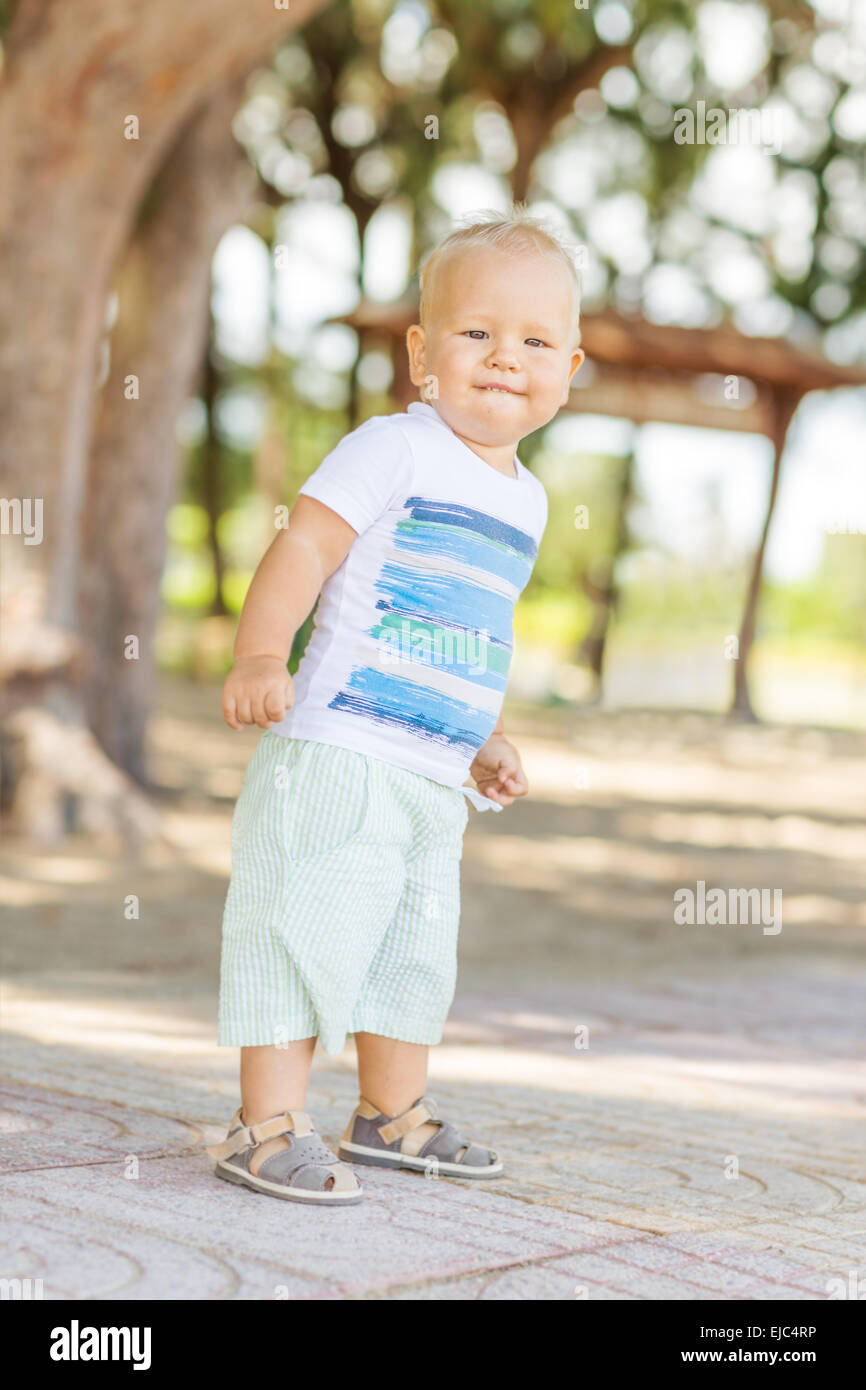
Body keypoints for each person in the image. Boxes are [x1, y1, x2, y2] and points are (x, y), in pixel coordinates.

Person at [206, 208, 585, 1203]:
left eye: (535, 341)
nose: (506, 357)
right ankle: (265, 1122)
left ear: (569, 369)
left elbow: (474, 628)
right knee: (296, 924)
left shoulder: (527, 500)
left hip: (429, 776)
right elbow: (304, 546)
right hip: (337, 749)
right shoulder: (394, 447)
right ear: (421, 352)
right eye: (477, 333)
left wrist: (481, 734)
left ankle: (388, 1112)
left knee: (413, 945)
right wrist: (258, 650)